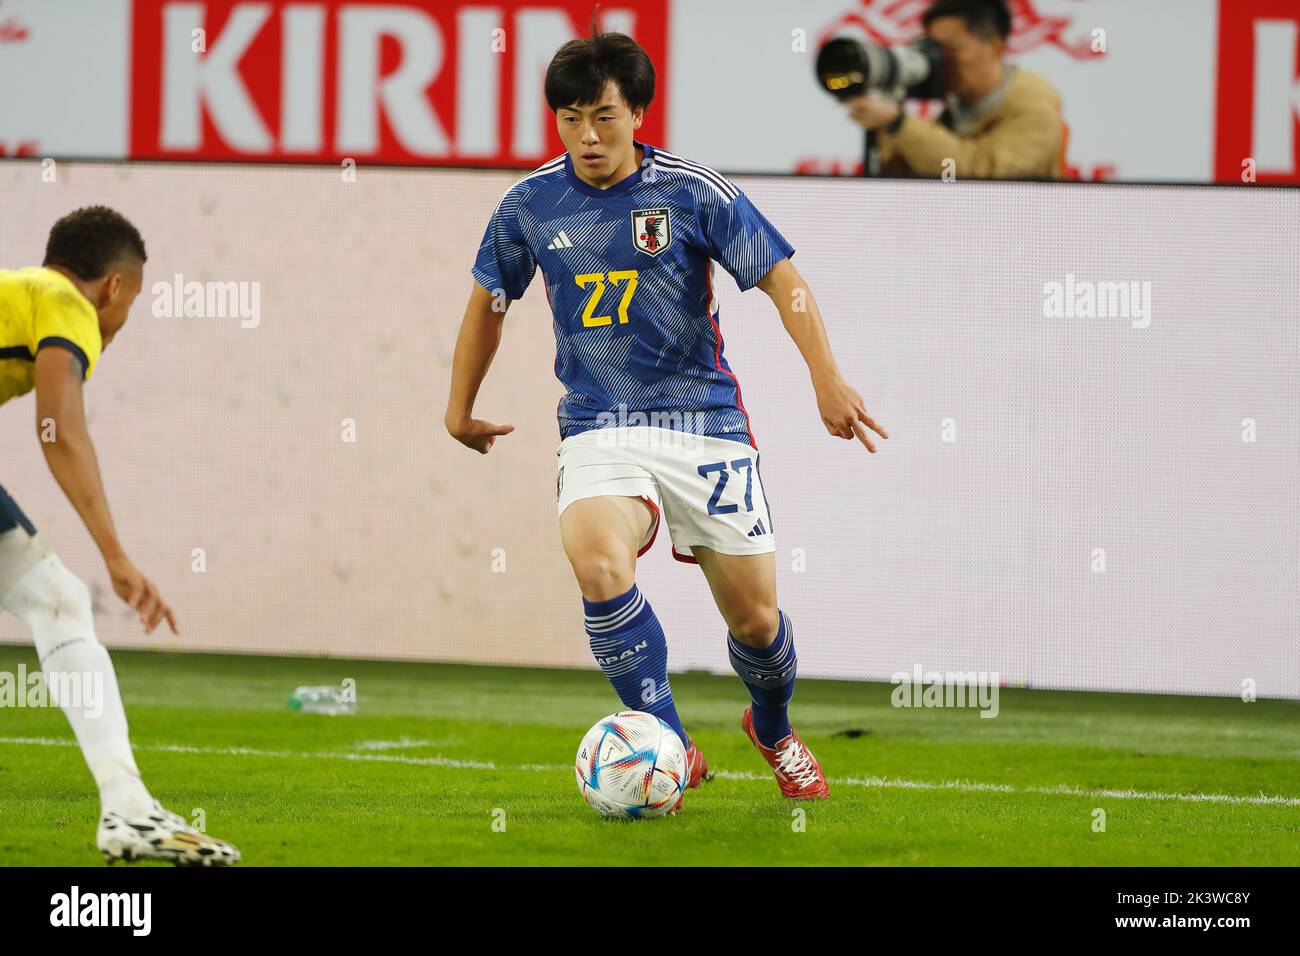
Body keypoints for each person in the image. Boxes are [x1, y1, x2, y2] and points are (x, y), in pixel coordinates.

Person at [446, 32, 887, 807]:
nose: (587, 136)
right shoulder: (528, 205)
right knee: (597, 563)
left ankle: (774, 729)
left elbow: (782, 279)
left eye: (604, 117)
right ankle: (670, 743)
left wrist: (826, 376)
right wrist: (460, 408)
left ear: (639, 113)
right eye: (571, 119)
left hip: (703, 424)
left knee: (756, 623)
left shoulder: (691, 191)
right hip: (598, 425)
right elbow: (489, 304)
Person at [0, 206, 240, 864]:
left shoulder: (22, 295)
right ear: (112, 287)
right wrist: (115, 554)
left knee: (56, 599)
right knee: (56, 599)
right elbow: (59, 428)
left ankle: (129, 808)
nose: (124, 318)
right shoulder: (68, 305)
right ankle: (129, 809)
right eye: (131, 300)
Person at [847, 0, 1065, 179]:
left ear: (995, 47)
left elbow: (978, 175)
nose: (941, 60)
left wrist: (898, 123)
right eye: (934, 49)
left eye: (952, 49)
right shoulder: (952, 111)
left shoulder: (1035, 106)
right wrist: (885, 126)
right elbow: (901, 181)